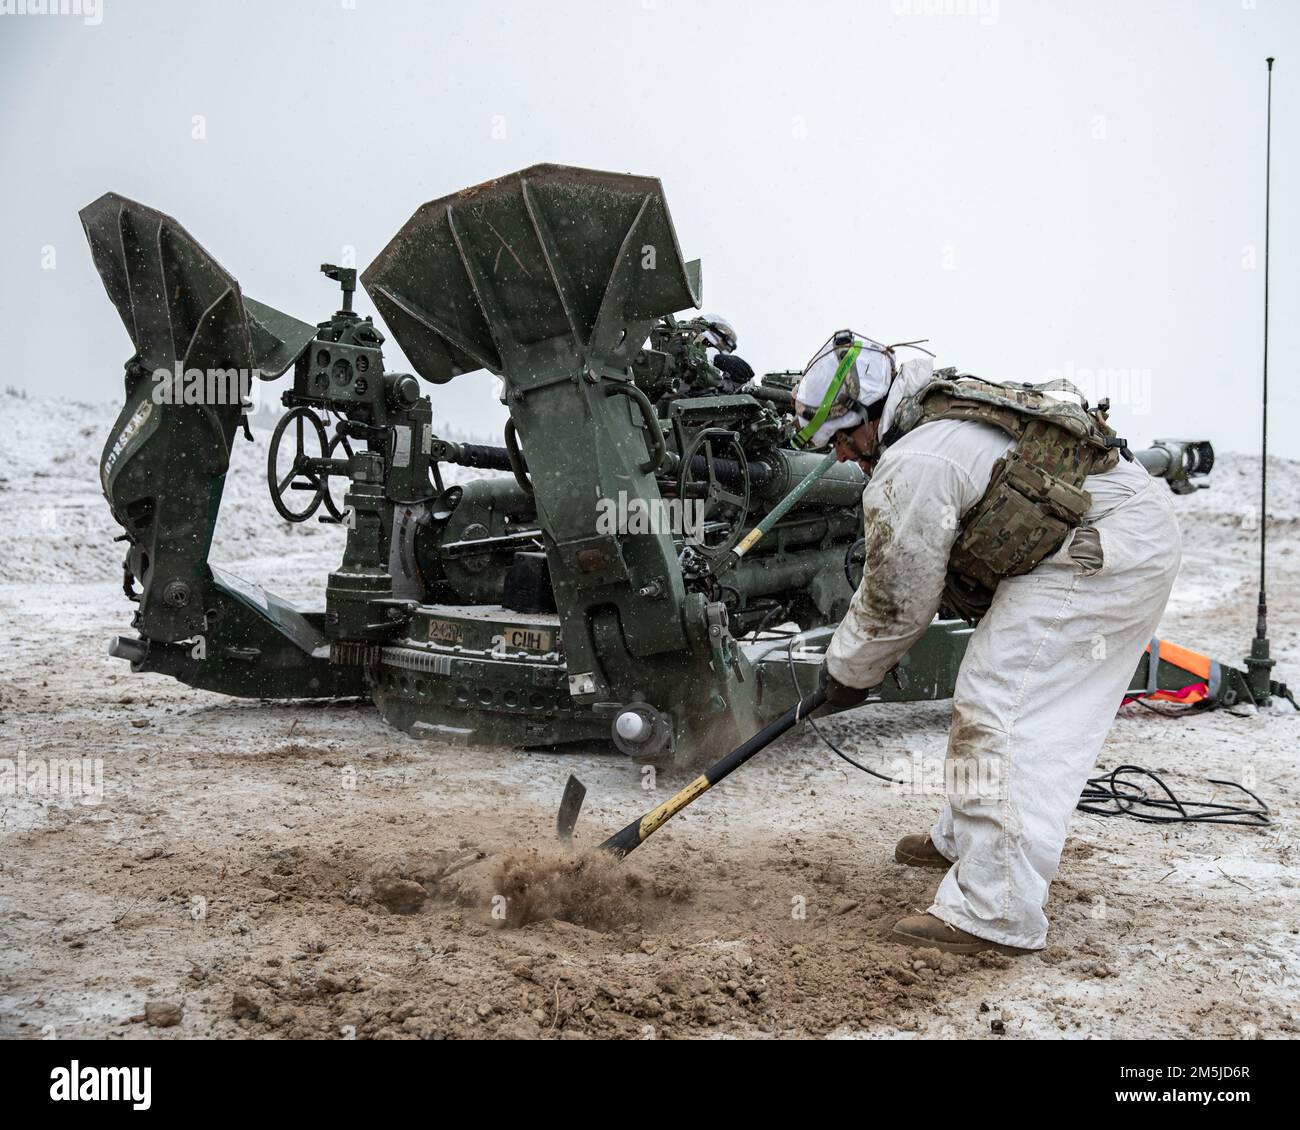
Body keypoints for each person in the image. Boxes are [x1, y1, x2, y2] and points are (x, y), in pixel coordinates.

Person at [794, 330, 1182, 954]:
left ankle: (995, 910)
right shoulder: (937, 422)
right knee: (997, 694)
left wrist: (845, 675)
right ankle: (964, 840)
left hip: (1101, 551)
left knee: (1002, 706)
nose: (840, 455)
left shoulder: (916, 461)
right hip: (1115, 535)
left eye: (842, 437)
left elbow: (895, 602)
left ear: (871, 414)